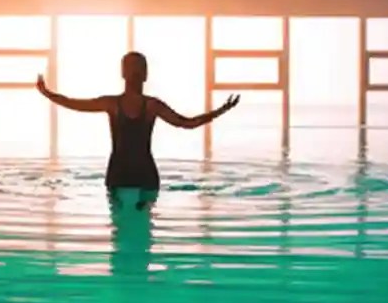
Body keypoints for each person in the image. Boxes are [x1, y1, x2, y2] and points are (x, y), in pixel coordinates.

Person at [36, 51, 240, 208]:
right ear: (125, 74)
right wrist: (47, 93)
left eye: (137, 69)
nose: (134, 73)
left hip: (139, 174)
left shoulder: (146, 106)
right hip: (123, 173)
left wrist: (221, 110)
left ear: (145, 75)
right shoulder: (117, 104)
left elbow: (186, 123)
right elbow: (75, 104)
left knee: (134, 231)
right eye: (132, 68)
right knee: (124, 230)